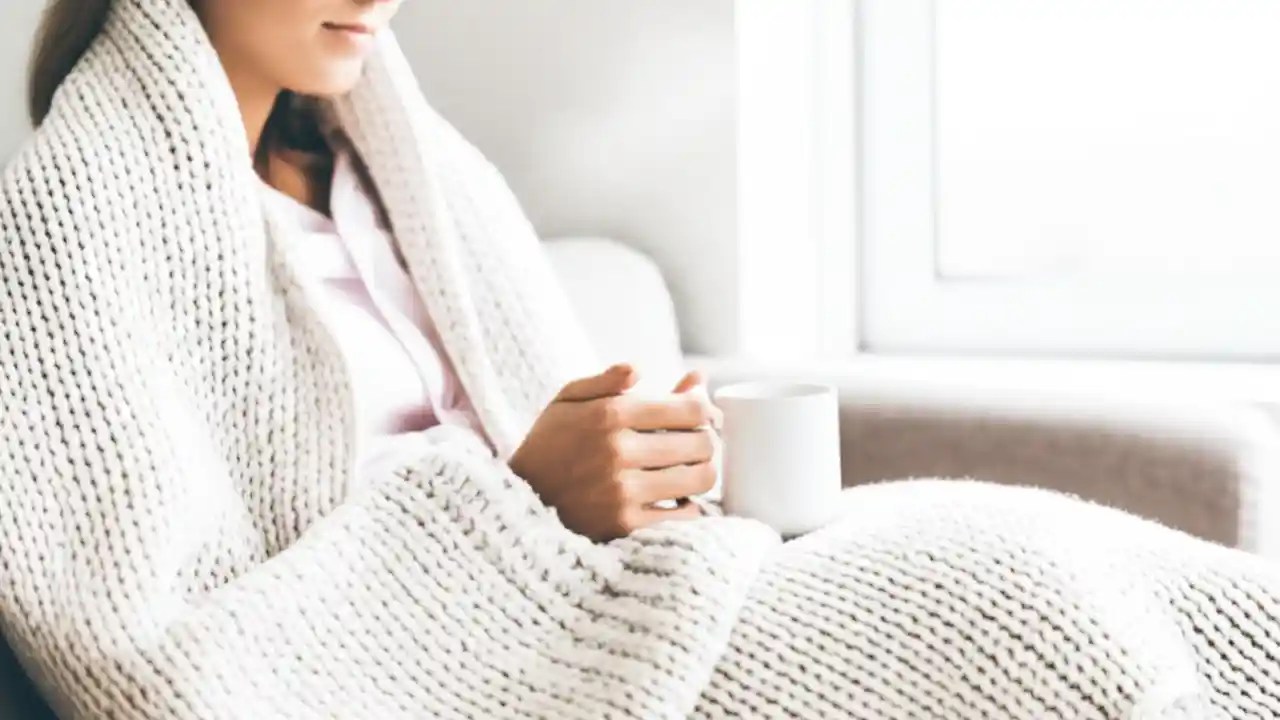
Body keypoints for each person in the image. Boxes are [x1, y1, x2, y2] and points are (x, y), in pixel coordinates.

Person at [2, 1, 1278, 718]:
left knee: (1099, 574)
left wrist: (629, 457)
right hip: (515, 675)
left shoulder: (396, 167)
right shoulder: (74, 224)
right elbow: (141, 663)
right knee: (1037, 635)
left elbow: (549, 450)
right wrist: (517, 498)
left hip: (653, 598)